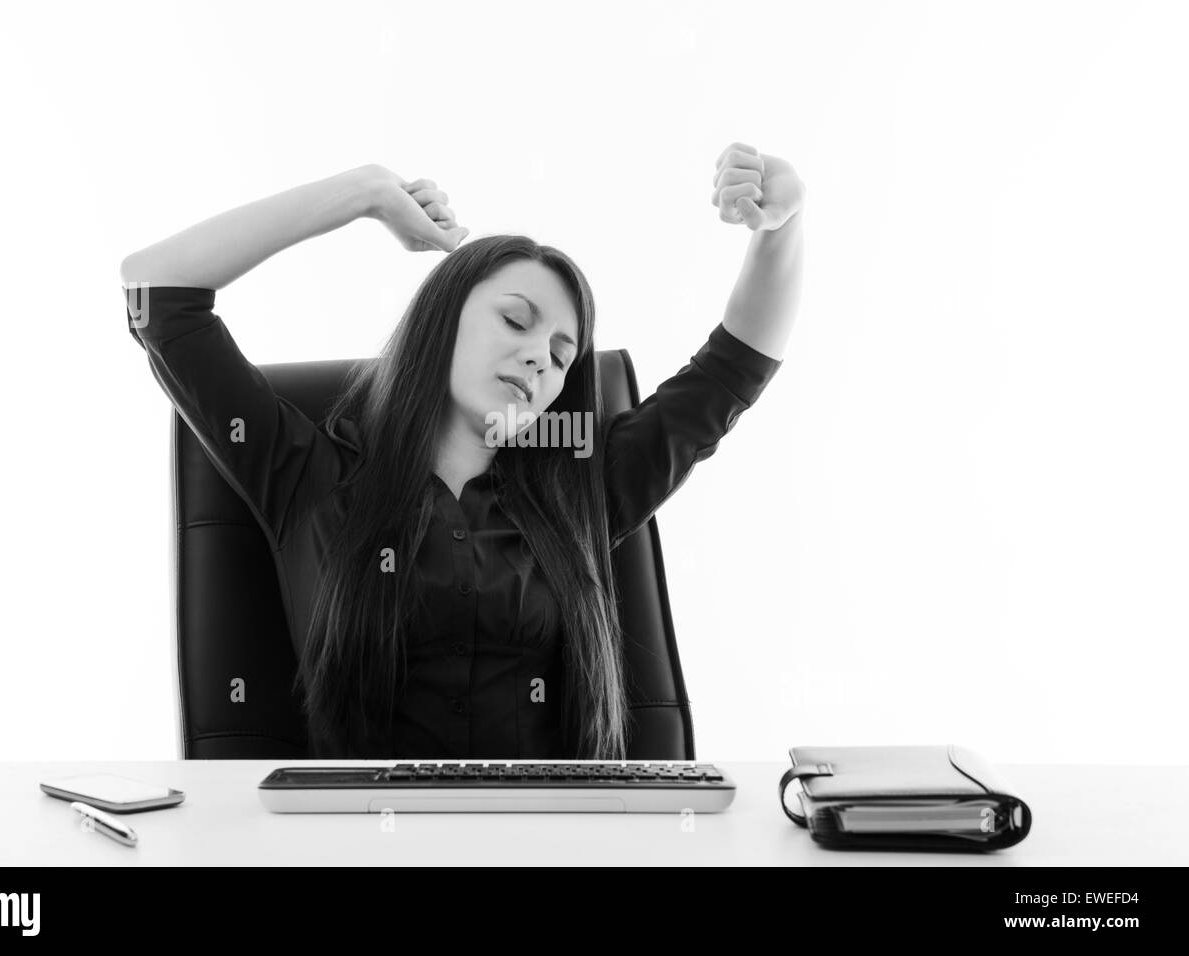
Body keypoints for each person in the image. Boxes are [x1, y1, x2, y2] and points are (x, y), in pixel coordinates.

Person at [120, 144, 804, 760]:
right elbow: (158, 292)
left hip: (554, 834)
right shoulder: (308, 476)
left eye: (561, 355)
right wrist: (364, 191)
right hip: (360, 838)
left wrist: (783, 226)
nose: (538, 357)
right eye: (515, 320)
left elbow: (733, 370)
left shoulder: (585, 487)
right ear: (442, 321)